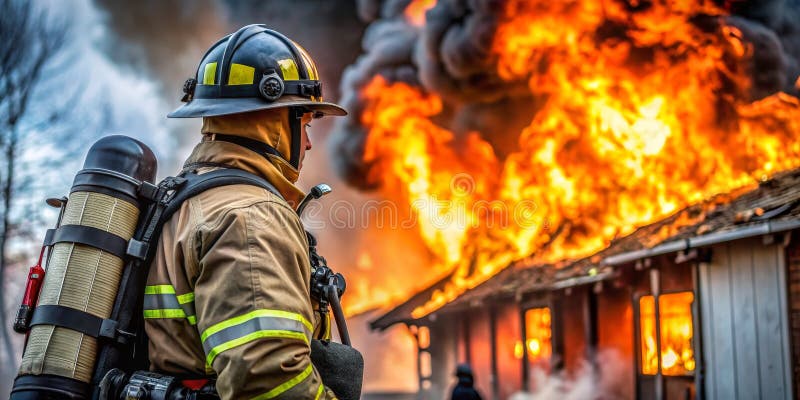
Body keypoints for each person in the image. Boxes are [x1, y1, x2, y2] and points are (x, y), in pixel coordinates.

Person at [143, 25, 347, 399]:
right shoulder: (251, 217)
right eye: (304, 123)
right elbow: (269, 380)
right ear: (272, 124)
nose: (308, 143)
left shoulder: (182, 203)